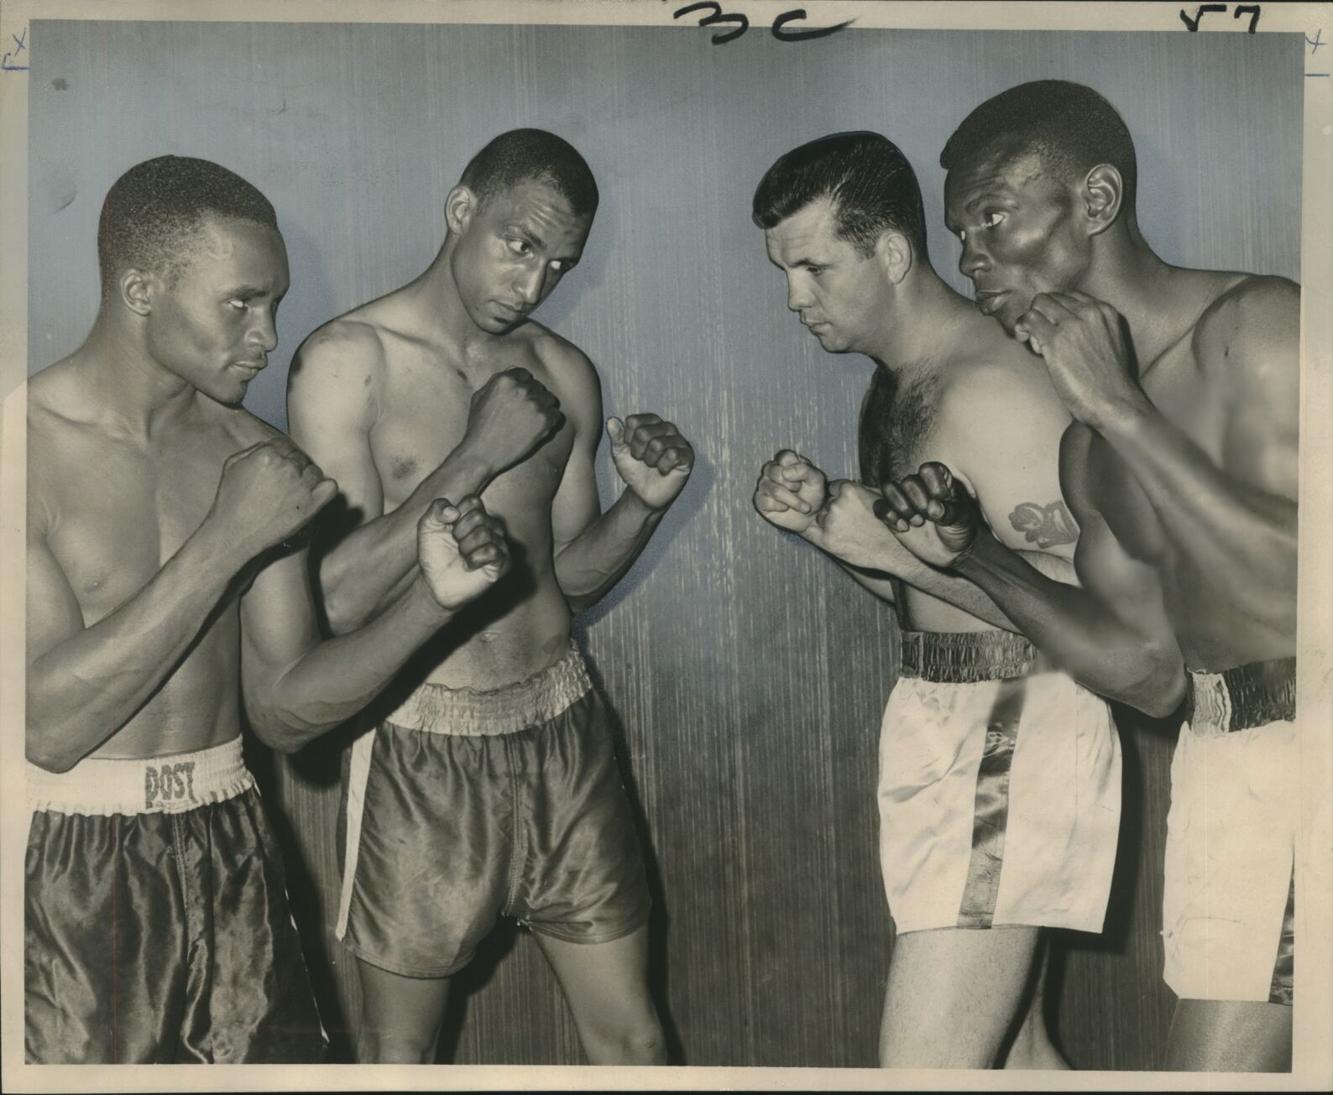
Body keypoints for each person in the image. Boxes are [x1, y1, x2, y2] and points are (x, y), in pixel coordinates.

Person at [24, 155, 516, 1064]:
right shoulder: (24, 452)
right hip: (61, 859)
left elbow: (286, 711)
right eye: (241, 304)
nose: (268, 335)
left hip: (230, 841)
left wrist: (431, 606)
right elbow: (47, 728)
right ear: (141, 290)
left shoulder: (256, 455)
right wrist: (226, 539)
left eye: (275, 304)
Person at [877, 80, 1299, 1071]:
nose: (968, 259)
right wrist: (974, 557)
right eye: (958, 234)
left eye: (992, 216)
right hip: (1221, 756)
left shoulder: (1260, 329)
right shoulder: (1087, 444)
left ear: (1096, 201)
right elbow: (1148, 673)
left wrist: (1123, 412)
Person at [287, 128, 694, 1065]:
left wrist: (642, 505)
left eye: (559, 265)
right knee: (401, 1054)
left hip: (562, 722)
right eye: (520, 245)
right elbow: (334, 600)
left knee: (634, 1039)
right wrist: (474, 455)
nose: (534, 283)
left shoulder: (564, 373)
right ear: (461, 209)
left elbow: (569, 579)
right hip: (418, 740)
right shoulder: (348, 361)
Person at [749, 132, 1122, 1069]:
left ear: (888, 252)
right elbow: (924, 593)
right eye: (783, 271)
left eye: (813, 267)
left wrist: (894, 553)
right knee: (1015, 1059)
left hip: (1017, 725)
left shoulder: (997, 390)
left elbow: (1100, 626)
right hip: (945, 713)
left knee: (925, 1070)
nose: (794, 297)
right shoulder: (898, 386)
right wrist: (827, 527)